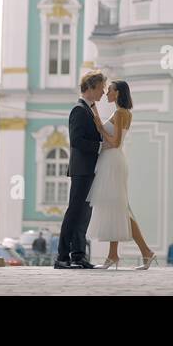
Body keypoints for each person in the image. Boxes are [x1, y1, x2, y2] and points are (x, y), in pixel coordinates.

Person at [86, 80, 157, 270]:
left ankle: (139, 253)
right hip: (114, 161)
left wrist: (100, 127)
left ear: (117, 93)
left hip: (112, 162)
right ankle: (119, 255)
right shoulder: (125, 113)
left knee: (119, 208)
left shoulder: (119, 113)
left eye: (109, 90)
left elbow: (115, 142)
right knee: (118, 208)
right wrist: (98, 118)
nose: (107, 92)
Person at [54, 70, 107, 269]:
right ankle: (61, 256)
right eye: (101, 89)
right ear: (91, 88)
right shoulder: (79, 110)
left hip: (89, 170)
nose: (103, 93)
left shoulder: (89, 109)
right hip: (82, 170)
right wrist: (100, 147)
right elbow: (76, 140)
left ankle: (78, 255)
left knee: (84, 214)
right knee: (74, 213)